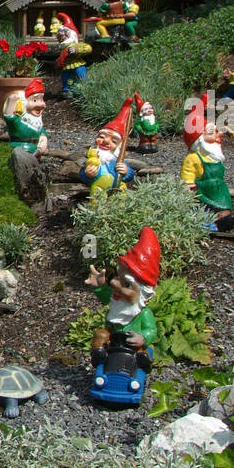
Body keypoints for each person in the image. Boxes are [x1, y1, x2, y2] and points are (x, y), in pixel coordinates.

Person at [85, 227, 160, 374]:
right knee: (100, 334)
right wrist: (99, 287)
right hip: (112, 343)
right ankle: (99, 357)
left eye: (125, 284)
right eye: (119, 279)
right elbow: (106, 297)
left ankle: (142, 367)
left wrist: (143, 338)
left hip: (132, 346)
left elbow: (151, 330)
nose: (116, 285)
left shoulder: (143, 313)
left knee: (142, 353)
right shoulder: (117, 300)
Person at [181, 103, 234, 231]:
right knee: (203, 207)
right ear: (200, 140)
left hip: (219, 189)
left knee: (223, 206)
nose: (219, 135)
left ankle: (222, 220)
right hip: (202, 189)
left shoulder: (215, 156)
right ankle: (206, 224)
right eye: (212, 132)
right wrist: (188, 184)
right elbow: (188, 171)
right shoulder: (194, 157)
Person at [80, 97, 135, 199]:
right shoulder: (92, 160)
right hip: (98, 187)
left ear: (119, 147)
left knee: (121, 198)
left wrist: (126, 171)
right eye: (101, 137)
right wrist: (88, 174)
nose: (105, 141)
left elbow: (131, 174)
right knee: (97, 199)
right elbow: (83, 174)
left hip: (118, 187)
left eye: (113, 141)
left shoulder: (117, 160)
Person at [0, 77, 48, 153]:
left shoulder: (37, 123)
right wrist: (11, 102)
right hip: (20, 149)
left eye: (41, 100)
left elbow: (41, 131)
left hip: (36, 151)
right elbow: (9, 118)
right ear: (24, 102)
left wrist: (43, 137)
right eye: (35, 100)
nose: (40, 104)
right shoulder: (19, 121)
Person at [53, 13, 91, 98]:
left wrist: (77, 50)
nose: (62, 35)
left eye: (65, 32)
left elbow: (88, 48)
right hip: (66, 66)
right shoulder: (63, 48)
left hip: (77, 64)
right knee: (65, 77)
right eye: (60, 33)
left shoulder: (75, 44)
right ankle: (67, 90)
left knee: (81, 76)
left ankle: (83, 88)